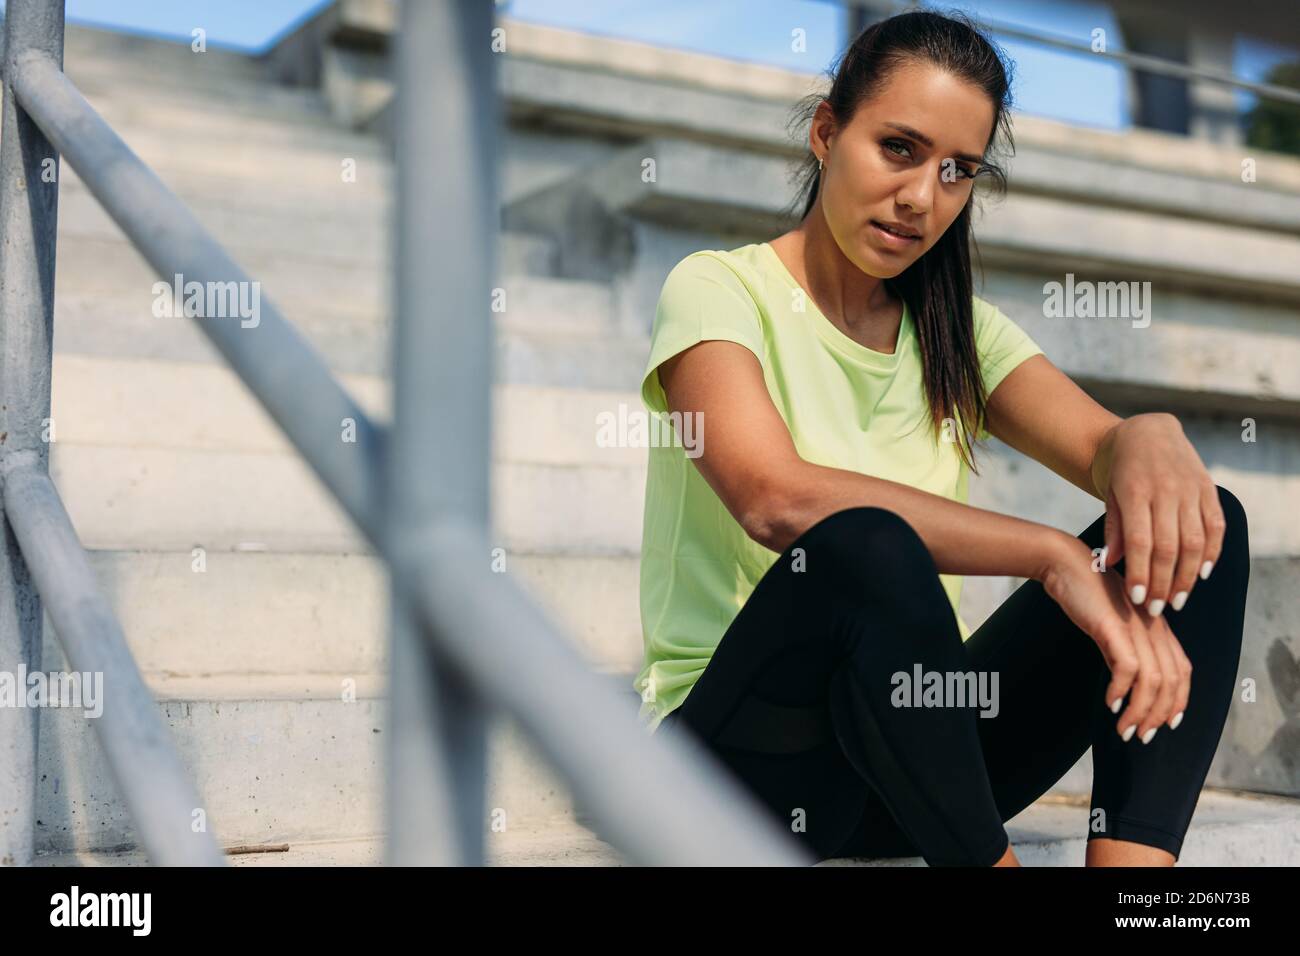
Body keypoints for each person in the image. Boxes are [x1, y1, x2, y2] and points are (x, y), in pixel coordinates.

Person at [631, 10, 1249, 867]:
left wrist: (1151, 434)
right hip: (742, 773)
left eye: (957, 170)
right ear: (825, 132)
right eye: (899, 149)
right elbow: (774, 499)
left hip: (912, 768)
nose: (923, 196)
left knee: (1198, 517)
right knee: (865, 545)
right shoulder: (718, 290)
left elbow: (1110, 452)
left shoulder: (958, 332)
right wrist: (1049, 554)